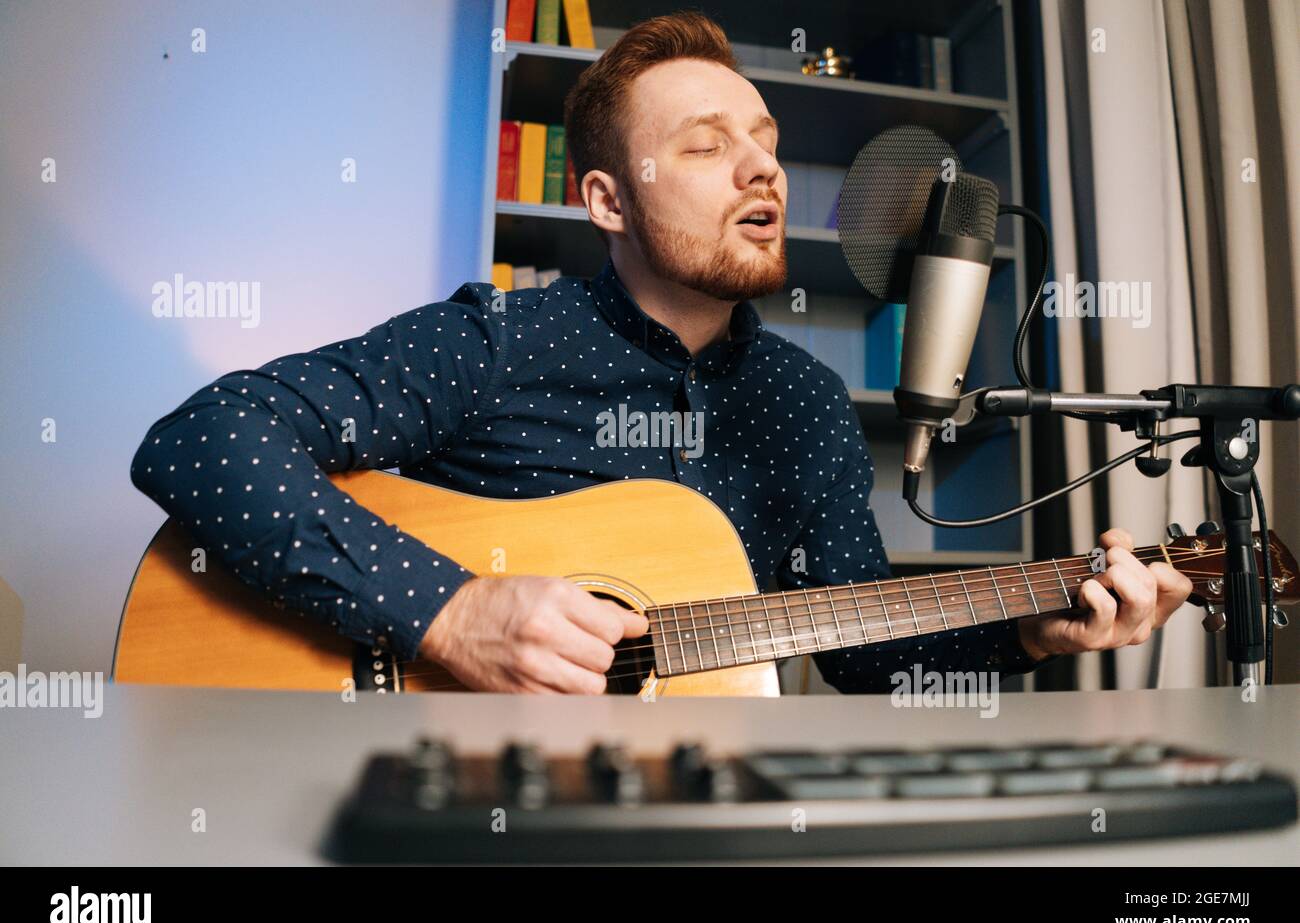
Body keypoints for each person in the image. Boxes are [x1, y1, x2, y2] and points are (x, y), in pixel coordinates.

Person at [131, 11, 1192, 694]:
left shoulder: (807, 402)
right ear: (606, 199)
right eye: (704, 146)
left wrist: (1035, 628)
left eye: (766, 141)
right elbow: (205, 439)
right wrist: (448, 614)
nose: (760, 170)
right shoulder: (499, 338)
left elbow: (867, 651)